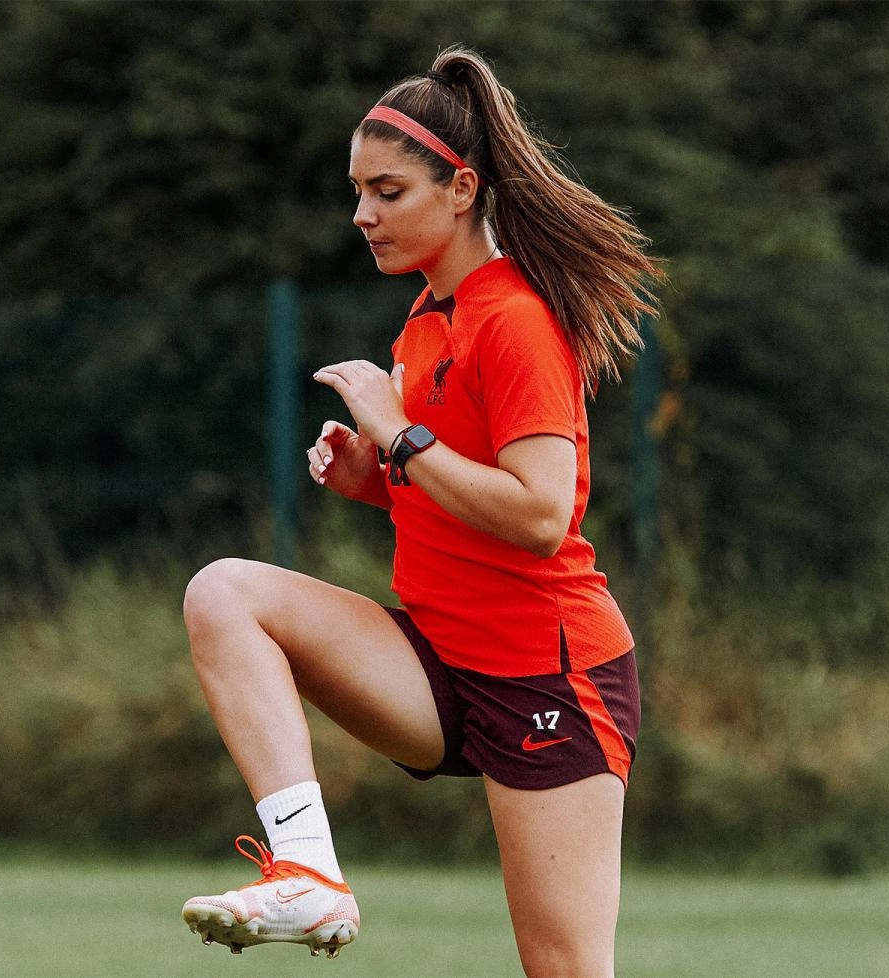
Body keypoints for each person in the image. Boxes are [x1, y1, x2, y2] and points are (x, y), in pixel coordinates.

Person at [180, 44, 664, 978]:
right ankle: (307, 873)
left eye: (388, 191)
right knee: (225, 594)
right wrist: (376, 477)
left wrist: (402, 439)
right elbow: (453, 492)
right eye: (358, 192)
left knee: (565, 969)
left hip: (547, 678)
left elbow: (540, 515)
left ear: (462, 189)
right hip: (440, 660)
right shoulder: (425, 321)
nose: (362, 214)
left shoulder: (516, 320)